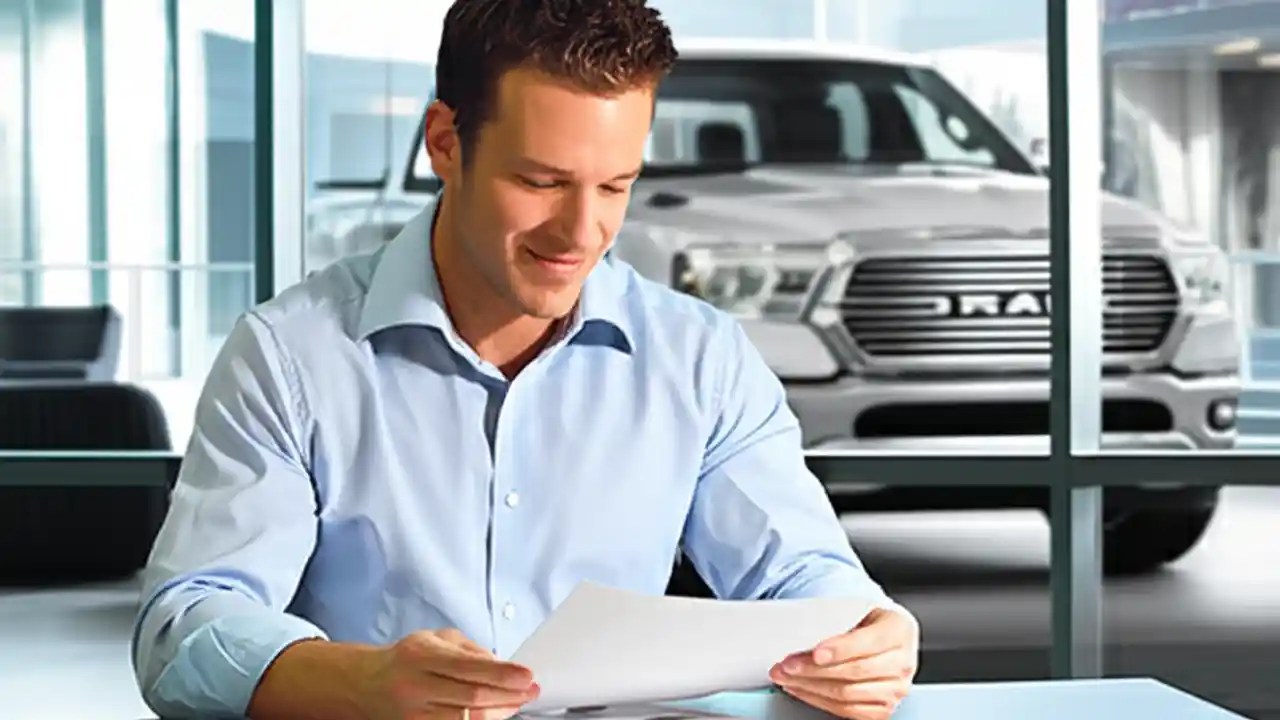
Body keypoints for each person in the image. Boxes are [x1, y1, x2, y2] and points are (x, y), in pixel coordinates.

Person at [131, 1, 920, 718]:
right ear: (445, 142)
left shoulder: (699, 357)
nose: (582, 233)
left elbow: (809, 583)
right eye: (540, 182)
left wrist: (866, 640)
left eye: (616, 186)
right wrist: (361, 682)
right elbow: (187, 627)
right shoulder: (291, 356)